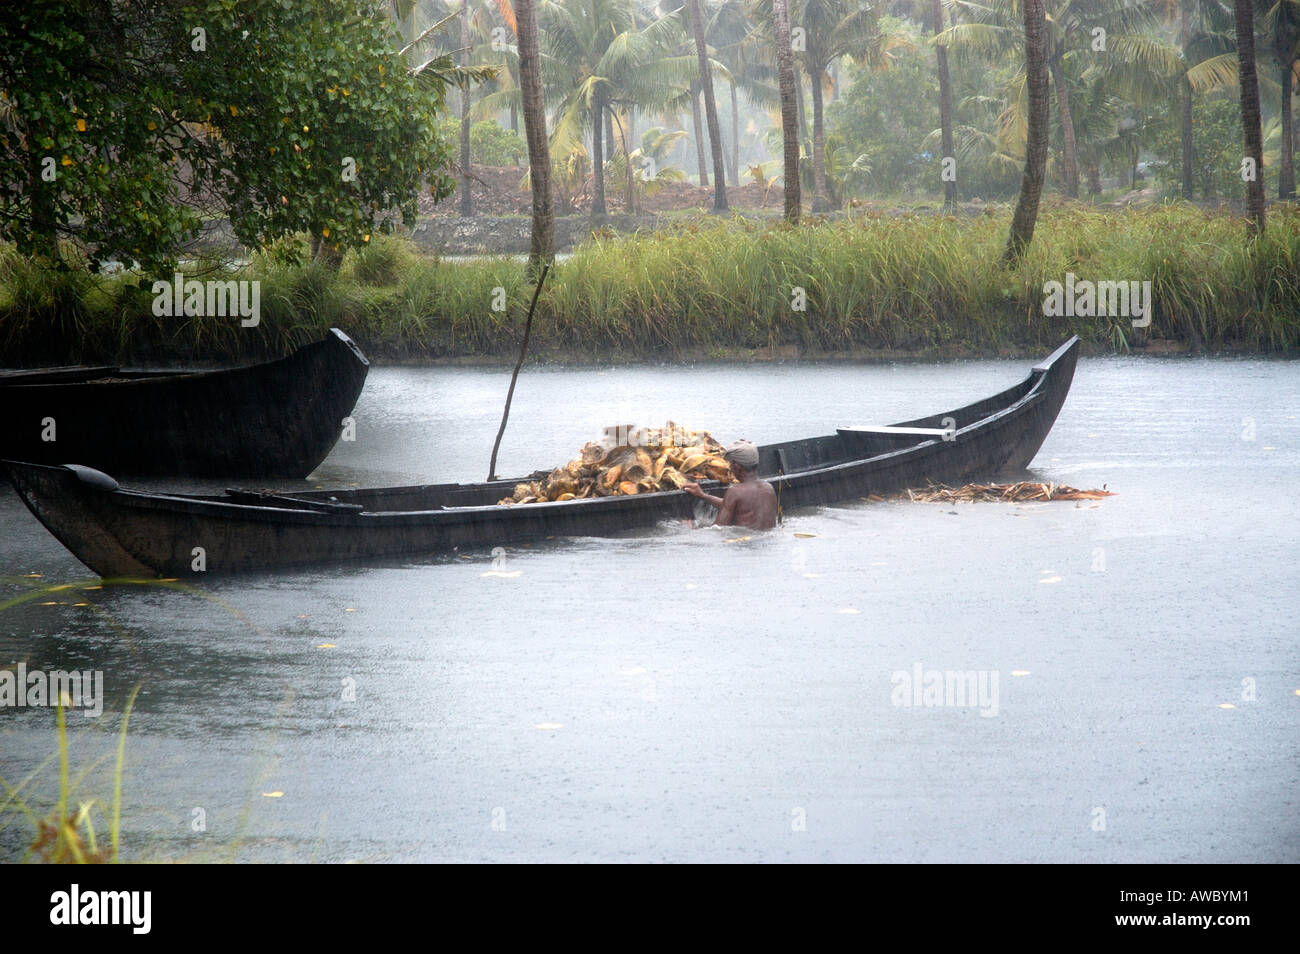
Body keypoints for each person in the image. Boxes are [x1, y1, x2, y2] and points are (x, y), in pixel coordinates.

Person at [683, 438, 778, 530]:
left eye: (730, 464)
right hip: (765, 542)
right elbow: (738, 507)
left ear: (737, 467)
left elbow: (718, 528)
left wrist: (692, 530)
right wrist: (703, 495)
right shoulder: (768, 488)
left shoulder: (735, 491)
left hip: (743, 542)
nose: (730, 468)